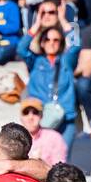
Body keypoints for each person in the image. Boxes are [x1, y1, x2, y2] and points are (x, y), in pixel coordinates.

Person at [18, 20, 80, 148]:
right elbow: (21, 49)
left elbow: (76, 45)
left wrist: (62, 20)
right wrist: (36, 25)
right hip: (41, 119)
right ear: (42, 42)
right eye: (47, 39)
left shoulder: (66, 61)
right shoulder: (35, 61)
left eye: (56, 40)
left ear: (61, 43)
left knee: (62, 162)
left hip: (65, 119)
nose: (51, 43)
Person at [21, 97, 68, 167]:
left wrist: (40, 164)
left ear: (41, 115)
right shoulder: (13, 138)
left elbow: (59, 169)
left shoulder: (55, 138)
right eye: (26, 112)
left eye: (35, 112)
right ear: (21, 117)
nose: (30, 117)